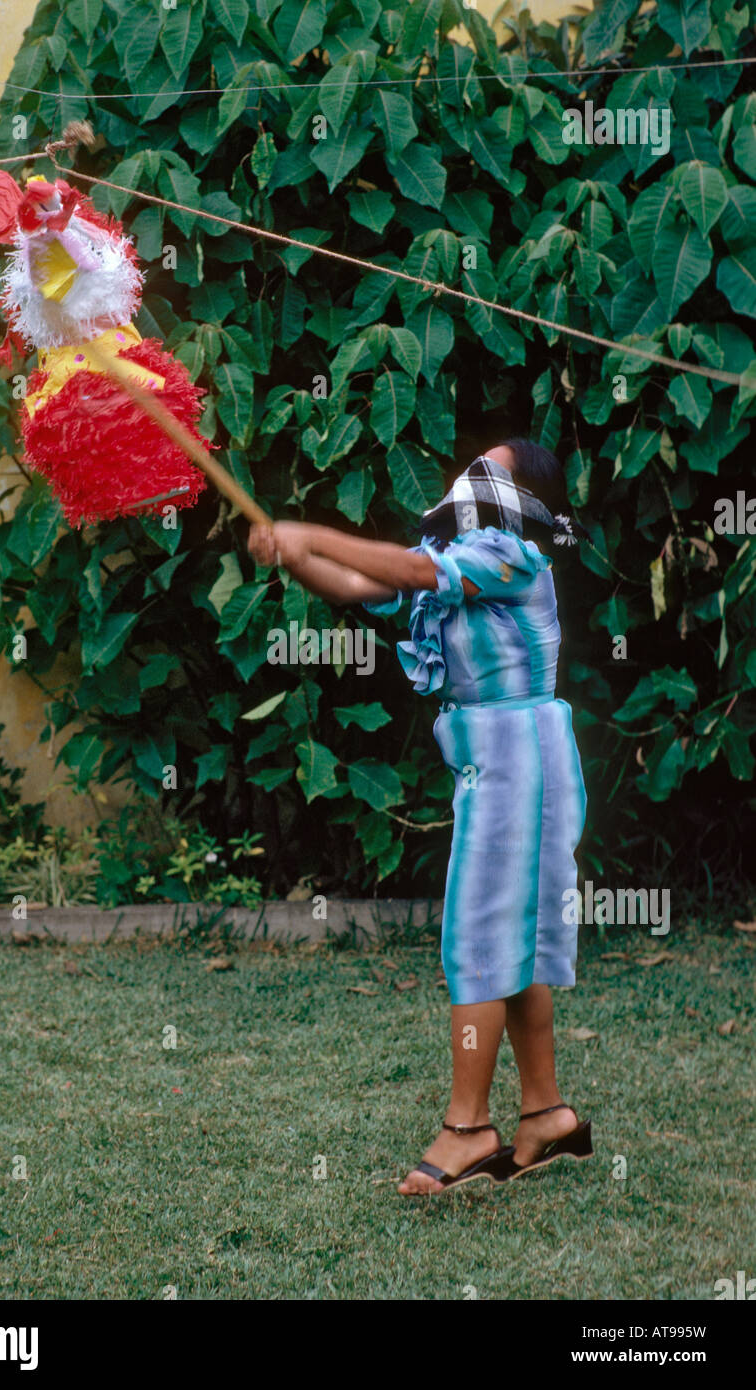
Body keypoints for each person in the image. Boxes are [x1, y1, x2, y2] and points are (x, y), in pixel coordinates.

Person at [248, 440, 593, 1195]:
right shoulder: (459, 558)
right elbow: (355, 581)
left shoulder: (511, 557)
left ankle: (469, 1130)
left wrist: (304, 528)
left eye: (492, 469)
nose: (472, 473)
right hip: (500, 760)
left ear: (526, 500)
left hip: (518, 760)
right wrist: (288, 554)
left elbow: (402, 570)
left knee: (476, 939)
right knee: (516, 945)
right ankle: (546, 1116)